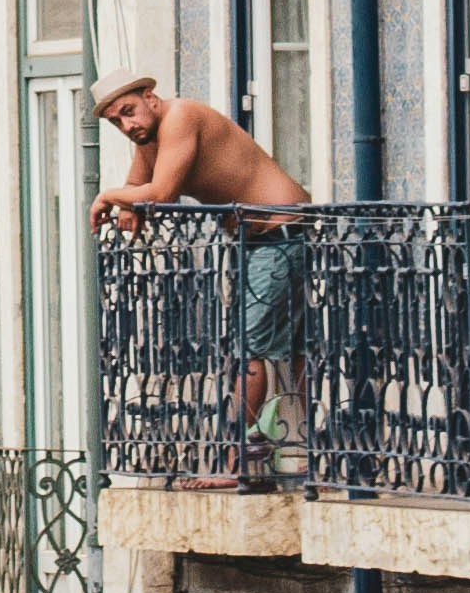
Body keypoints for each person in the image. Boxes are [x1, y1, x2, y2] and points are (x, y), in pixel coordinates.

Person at [89, 76, 313, 484]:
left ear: (150, 98)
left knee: (251, 351)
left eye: (128, 112)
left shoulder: (181, 116)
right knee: (291, 349)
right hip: (257, 241)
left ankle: (234, 464)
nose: (127, 125)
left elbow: (160, 193)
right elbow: (141, 188)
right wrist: (126, 202)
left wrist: (109, 196)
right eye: (115, 122)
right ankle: (320, 454)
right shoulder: (149, 138)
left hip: (281, 234)